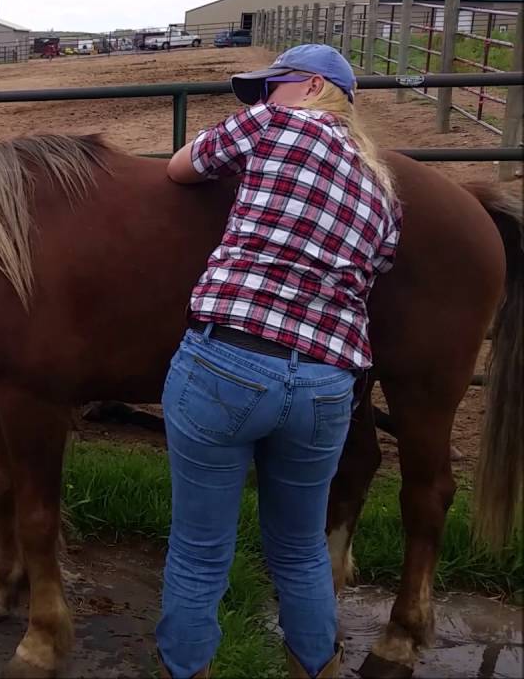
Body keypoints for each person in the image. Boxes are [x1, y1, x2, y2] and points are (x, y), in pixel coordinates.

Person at [156, 44, 401, 678]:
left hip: (229, 362)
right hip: (326, 385)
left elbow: (181, 169)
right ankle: (315, 670)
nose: (263, 98)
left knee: (199, 552)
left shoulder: (272, 124)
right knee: (299, 551)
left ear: (313, 85)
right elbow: (371, 273)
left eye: (273, 85)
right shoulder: (384, 190)